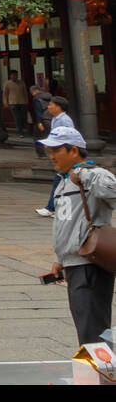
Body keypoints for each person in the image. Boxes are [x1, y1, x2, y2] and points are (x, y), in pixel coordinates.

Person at [42, 125, 116, 345]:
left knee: (92, 328)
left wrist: (84, 174)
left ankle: (100, 376)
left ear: (73, 150)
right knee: (86, 325)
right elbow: (66, 223)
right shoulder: (64, 181)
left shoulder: (93, 174)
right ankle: (98, 373)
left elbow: (113, 191)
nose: (51, 156)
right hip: (75, 263)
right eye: (49, 151)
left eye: (56, 150)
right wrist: (61, 260)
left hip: (91, 263)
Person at [38, 96, 76, 218]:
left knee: (60, 181)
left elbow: (70, 137)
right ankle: (54, 208)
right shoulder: (55, 119)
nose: (48, 107)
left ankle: (51, 208)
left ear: (58, 107)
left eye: (51, 105)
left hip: (65, 155)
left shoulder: (65, 120)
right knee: (61, 182)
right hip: (60, 154)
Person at [3, 70, 30, 136]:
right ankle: (20, 132)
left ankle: (25, 129)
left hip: (22, 102)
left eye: (16, 75)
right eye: (13, 75)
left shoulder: (21, 82)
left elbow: (25, 92)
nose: (15, 76)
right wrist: (5, 103)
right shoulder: (7, 83)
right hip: (12, 103)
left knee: (23, 117)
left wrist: (26, 100)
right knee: (17, 118)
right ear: (10, 76)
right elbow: (5, 94)